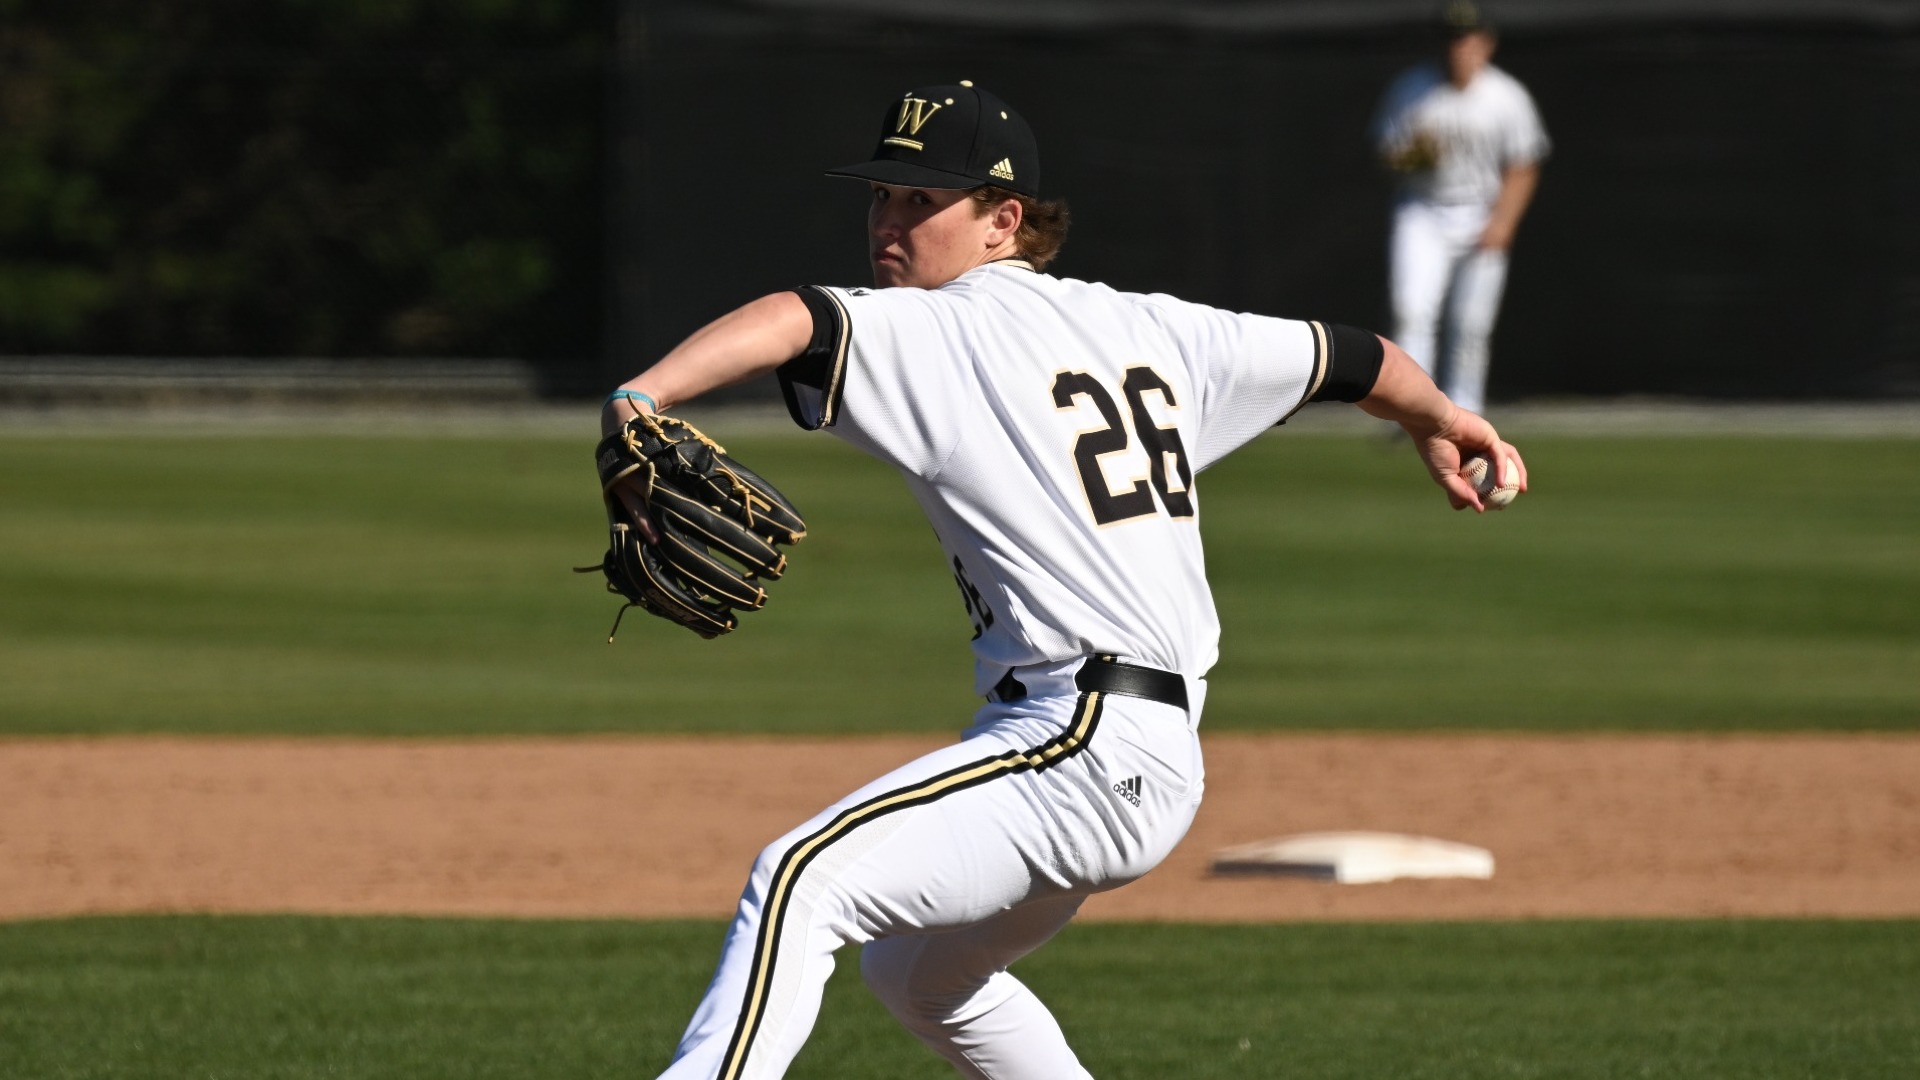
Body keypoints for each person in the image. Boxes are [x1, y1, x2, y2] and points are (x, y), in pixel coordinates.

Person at [604, 79, 1527, 1080]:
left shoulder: (944, 328)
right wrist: (1440, 419)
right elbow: (1356, 358)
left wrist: (641, 395)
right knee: (918, 976)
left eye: (923, 201)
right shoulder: (1159, 329)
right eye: (881, 195)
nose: (889, 221)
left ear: (1005, 221)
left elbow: (796, 320)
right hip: (1126, 749)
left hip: (1077, 742)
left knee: (799, 877)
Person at [1372, 0, 1549, 413]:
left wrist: (1503, 222)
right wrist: (1413, 157)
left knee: (1471, 324)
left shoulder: (1506, 96)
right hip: (1424, 211)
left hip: (1481, 213)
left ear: (1486, 43)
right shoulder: (1412, 90)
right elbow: (1387, 155)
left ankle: (1465, 410)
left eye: (1468, 38)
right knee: (1411, 310)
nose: (1459, 48)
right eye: (1452, 39)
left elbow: (1524, 165)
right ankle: (1411, 407)